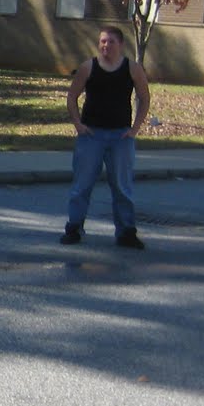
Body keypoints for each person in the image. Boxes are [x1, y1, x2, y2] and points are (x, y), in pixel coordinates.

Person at [60, 26, 150, 249]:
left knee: (122, 186)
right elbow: (72, 97)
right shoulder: (88, 67)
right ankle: (74, 227)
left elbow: (144, 98)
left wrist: (135, 128)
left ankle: (126, 232)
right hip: (92, 135)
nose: (105, 46)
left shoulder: (133, 68)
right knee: (82, 184)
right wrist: (78, 124)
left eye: (110, 42)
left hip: (121, 136)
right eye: (102, 41)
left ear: (120, 45)